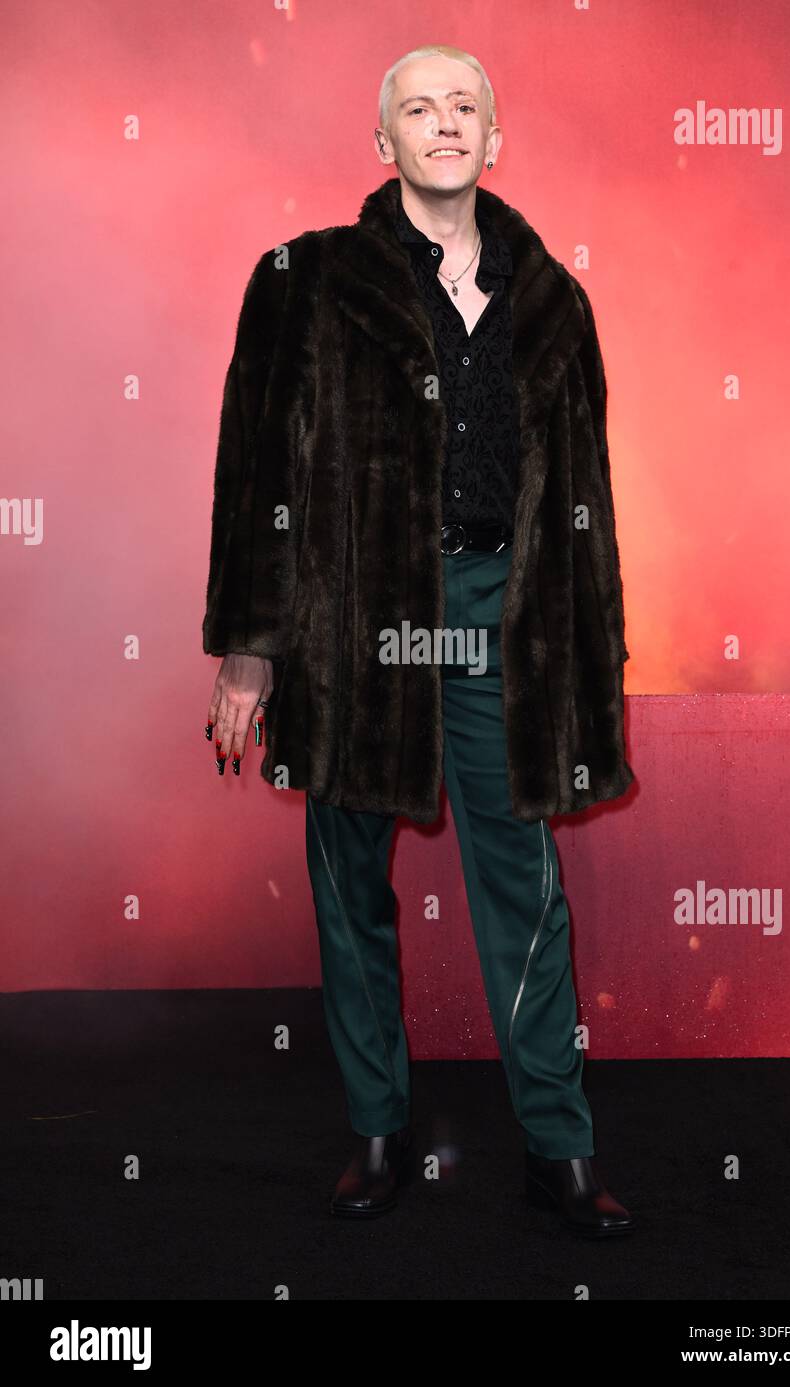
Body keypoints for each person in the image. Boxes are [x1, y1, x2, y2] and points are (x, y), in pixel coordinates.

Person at [203, 44, 635, 1237]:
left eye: (462, 108)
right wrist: (250, 648)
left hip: (501, 615)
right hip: (356, 620)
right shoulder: (302, 280)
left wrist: (588, 662)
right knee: (349, 886)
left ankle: (559, 1150)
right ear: (379, 141)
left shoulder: (553, 298)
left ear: (492, 141)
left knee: (525, 891)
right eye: (415, 108)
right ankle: (380, 1131)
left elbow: (585, 500)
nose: (440, 124)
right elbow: (256, 472)